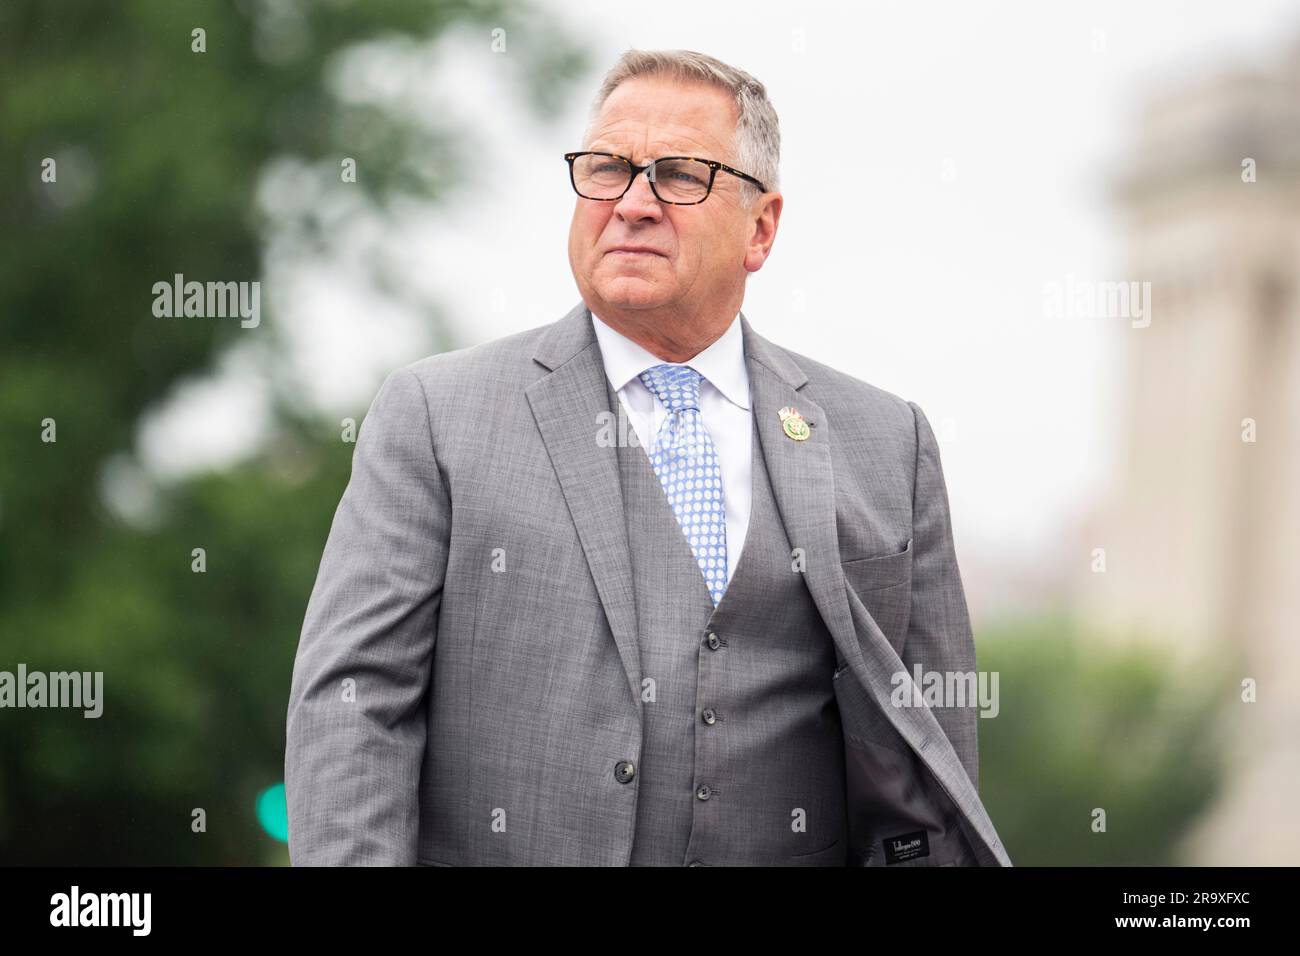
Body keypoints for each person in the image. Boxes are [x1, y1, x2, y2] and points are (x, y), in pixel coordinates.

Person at [285, 48, 1011, 867]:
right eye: (606, 169)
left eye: (677, 175)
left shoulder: (888, 442)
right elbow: (354, 706)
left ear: (761, 228)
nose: (632, 204)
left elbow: (932, 762)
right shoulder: (435, 417)